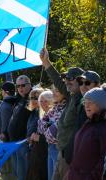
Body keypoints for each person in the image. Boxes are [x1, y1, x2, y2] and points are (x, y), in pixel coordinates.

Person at [40, 48, 84, 180]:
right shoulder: (72, 96)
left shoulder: (82, 100)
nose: (66, 81)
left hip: (70, 154)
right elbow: (58, 80)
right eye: (66, 78)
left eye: (71, 78)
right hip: (61, 152)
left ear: (81, 81)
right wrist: (46, 62)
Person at [66, 86, 106, 180]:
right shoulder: (89, 123)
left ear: (100, 104)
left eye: (90, 102)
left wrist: (91, 177)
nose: (86, 105)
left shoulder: (105, 127)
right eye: (85, 102)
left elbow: (104, 159)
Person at [64, 70, 101, 164]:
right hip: (73, 161)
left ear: (97, 85)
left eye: (87, 83)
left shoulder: (101, 108)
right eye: (81, 83)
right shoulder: (82, 103)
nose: (83, 86)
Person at [8, 75, 32, 180]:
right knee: (17, 172)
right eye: (18, 86)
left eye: (23, 85)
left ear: (29, 85)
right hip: (14, 142)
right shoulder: (18, 99)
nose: (20, 88)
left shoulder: (33, 98)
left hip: (24, 142)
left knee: (24, 173)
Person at [0, 81, 16, 180]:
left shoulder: (6, 105)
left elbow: (5, 122)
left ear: (4, 91)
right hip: (3, 140)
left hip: (4, 141)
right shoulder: (7, 103)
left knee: (6, 168)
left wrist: (3, 135)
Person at [27, 89, 52, 180]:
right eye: (41, 101)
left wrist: (39, 138)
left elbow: (56, 137)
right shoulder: (42, 115)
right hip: (37, 153)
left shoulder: (55, 116)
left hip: (47, 155)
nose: (42, 103)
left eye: (46, 101)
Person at [43, 87, 66, 180]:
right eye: (53, 90)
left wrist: (48, 127)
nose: (53, 93)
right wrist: (49, 127)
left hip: (59, 149)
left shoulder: (66, 108)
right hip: (51, 147)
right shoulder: (55, 107)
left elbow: (54, 133)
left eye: (57, 90)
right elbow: (41, 124)